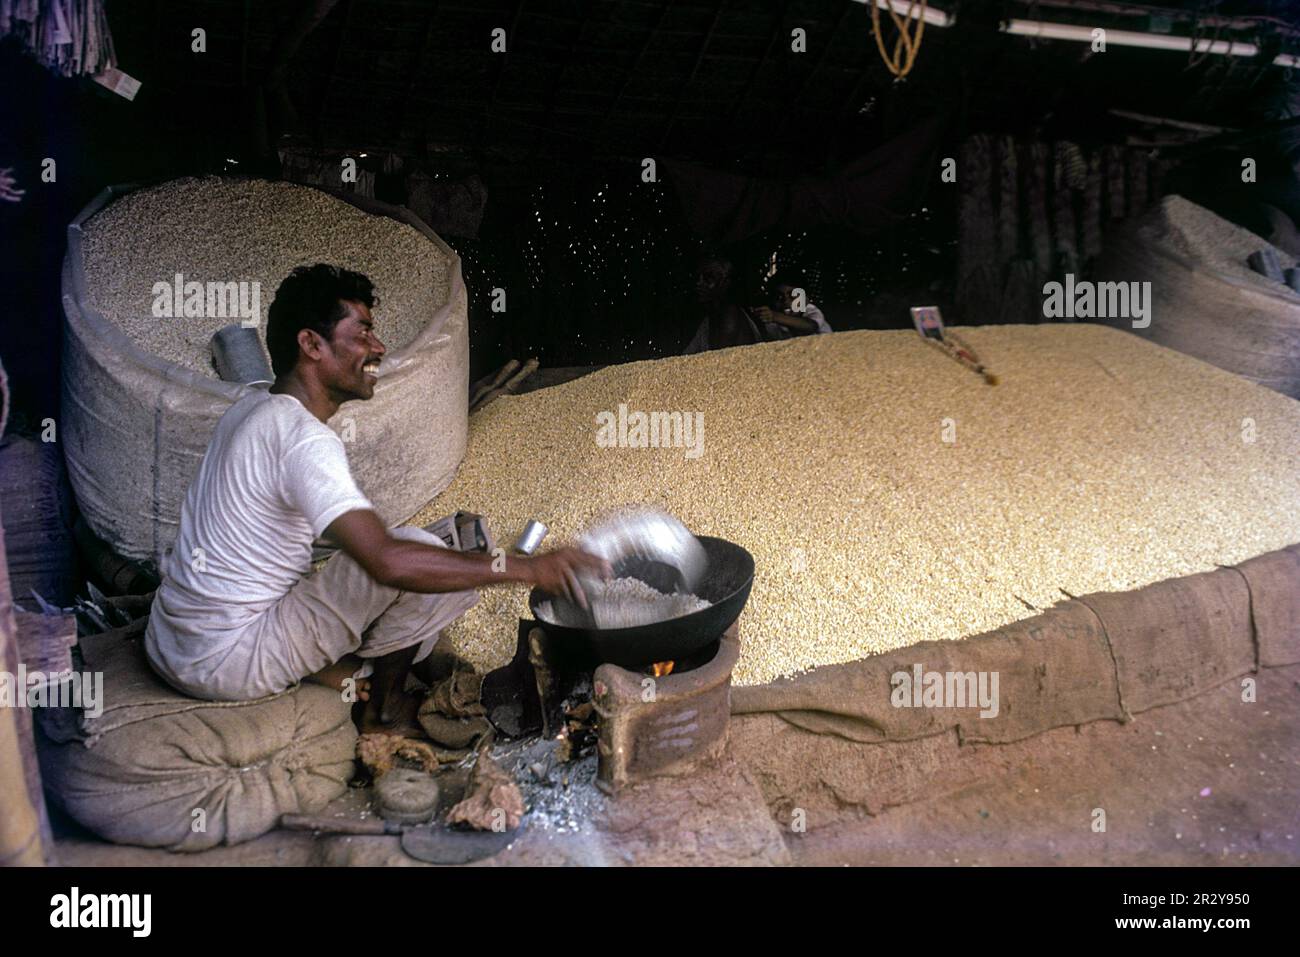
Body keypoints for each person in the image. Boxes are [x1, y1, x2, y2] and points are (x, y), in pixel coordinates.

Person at [144, 263, 610, 737]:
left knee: (400, 556)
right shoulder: (304, 441)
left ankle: (332, 670)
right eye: (362, 332)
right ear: (311, 345)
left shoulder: (252, 407)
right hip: (225, 661)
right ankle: (381, 713)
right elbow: (386, 562)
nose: (378, 348)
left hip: (173, 642)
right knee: (429, 559)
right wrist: (526, 568)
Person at [682, 253, 766, 353]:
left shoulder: (730, 316)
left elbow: (717, 362)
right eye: (698, 277)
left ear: (725, 283)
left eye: (709, 278)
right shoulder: (710, 318)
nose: (699, 283)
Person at [752, 272, 832, 340]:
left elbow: (811, 326)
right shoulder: (771, 323)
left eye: (793, 295)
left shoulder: (810, 311)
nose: (786, 301)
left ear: (806, 298)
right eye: (779, 297)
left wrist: (774, 316)